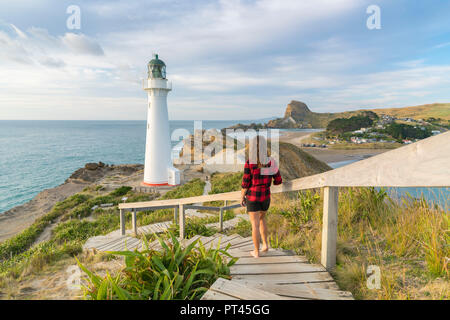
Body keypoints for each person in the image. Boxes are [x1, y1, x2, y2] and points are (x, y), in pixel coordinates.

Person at [240, 135, 282, 258]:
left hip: (253, 197)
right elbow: (278, 180)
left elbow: (245, 183)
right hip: (265, 197)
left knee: (255, 224)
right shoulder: (271, 162)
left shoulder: (250, 163)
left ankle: (256, 252)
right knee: (262, 219)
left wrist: (242, 197)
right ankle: (265, 245)